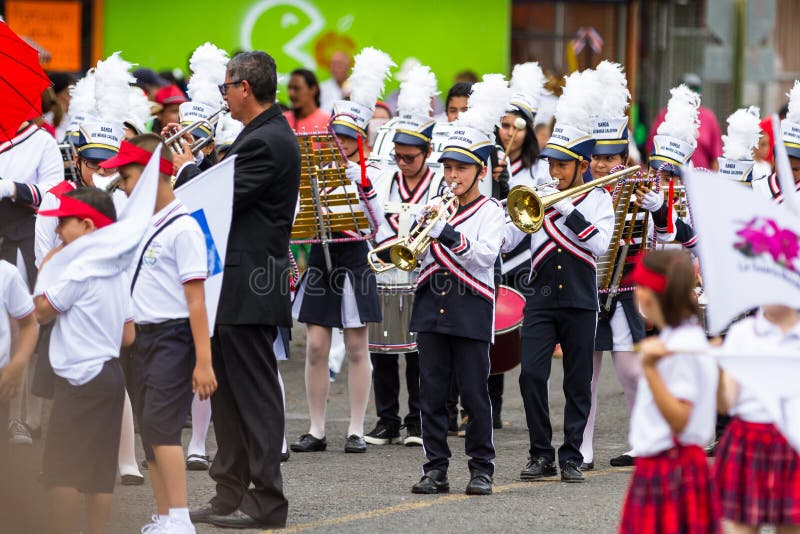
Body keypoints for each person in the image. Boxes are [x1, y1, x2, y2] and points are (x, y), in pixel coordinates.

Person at [171, 50, 298, 530]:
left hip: (249, 284)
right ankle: (230, 494)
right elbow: (228, 185)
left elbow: (223, 197)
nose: (222, 96)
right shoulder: (258, 135)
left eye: (226, 87)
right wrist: (202, 159)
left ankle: (266, 502)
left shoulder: (268, 140)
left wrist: (185, 171)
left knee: (255, 397)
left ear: (245, 87)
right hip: (233, 283)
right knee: (226, 396)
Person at [502, 68, 614, 484]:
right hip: (542, 298)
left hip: (582, 300)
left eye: (563, 165)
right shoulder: (538, 194)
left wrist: (565, 207)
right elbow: (511, 237)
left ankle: (570, 455)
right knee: (531, 374)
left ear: (581, 165)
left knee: (578, 382)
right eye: (551, 163)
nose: (554, 172)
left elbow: (599, 244)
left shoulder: (600, 199)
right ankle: (540, 453)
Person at [101, 134, 217, 534]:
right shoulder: (143, 222)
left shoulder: (184, 227)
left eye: (128, 177)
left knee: (163, 428)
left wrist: (204, 361)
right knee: (150, 429)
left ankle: (182, 519)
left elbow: (197, 301)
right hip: (143, 339)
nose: (123, 186)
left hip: (173, 337)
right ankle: (166, 514)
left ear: (154, 174)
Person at [290, 46, 393, 455]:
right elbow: (298, 217)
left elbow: (379, 227)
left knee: (356, 346)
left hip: (354, 257)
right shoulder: (313, 168)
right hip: (321, 255)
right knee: (315, 346)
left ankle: (354, 428)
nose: (344, 143)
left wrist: (363, 186)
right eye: (338, 136)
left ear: (361, 139)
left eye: (351, 137)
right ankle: (316, 429)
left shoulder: (373, 173)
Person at [408, 74, 508, 497]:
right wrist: (420, 228)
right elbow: (415, 259)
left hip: (471, 309)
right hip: (431, 307)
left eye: (461, 168)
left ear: (479, 172)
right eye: (448, 167)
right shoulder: (432, 206)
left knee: (474, 392)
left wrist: (445, 231)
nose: (452, 175)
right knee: (431, 394)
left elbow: (484, 256)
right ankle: (435, 468)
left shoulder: (493, 211)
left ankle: (481, 468)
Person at [33, 187, 134, 534]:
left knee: (61, 471)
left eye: (64, 223)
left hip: (79, 378)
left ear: (89, 226)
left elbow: (41, 311)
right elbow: (128, 335)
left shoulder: (78, 269)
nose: (58, 230)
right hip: (109, 374)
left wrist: (50, 262)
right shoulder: (119, 268)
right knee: (99, 476)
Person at [364, 63, 441, 448]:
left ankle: (417, 421)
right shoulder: (384, 179)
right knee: (380, 349)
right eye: (398, 156)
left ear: (427, 153)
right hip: (385, 272)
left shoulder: (438, 182)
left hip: (421, 273)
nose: (403, 163)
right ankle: (387, 420)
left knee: (417, 352)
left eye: (410, 157)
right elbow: (371, 218)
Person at [618, 250, 721, 534]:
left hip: (670, 465)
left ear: (648, 296)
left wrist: (650, 369)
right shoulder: (681, 339)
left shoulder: (680, 349)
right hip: (669, 464)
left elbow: (681, 419)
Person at [579, 61, 645, 471]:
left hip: (624, 289)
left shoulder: (640, 187)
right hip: (587, 288)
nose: (603, 165)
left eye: (611, 157)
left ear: (624, 155)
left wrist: (654, 209)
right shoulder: (580, 190)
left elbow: (657, 236)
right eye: (597, 157)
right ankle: (581, 446)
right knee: (585, 374)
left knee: (630, 370)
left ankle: (640, 441)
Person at [492, 62, 551, 429]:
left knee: (526, 338)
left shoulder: (539, 168)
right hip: (493, 256)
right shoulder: (488, 161)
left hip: (525, 260)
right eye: (505, 124)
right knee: (494, 333)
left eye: (516, 126)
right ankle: (490, 408)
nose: (508, 131)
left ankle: (533, 409)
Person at [715, 305, 800, 533]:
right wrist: (718, 369)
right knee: (740, 525)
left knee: (791, 526)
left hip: (793, 439)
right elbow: (726, 403)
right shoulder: (742, 333)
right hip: (748, 438)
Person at [646, 73, 722, 171]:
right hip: (670, 179)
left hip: (700, 180)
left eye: (695, 90)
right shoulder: (665, 115)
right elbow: (651, 151)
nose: (690, 94)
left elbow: (716, 158)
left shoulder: (709, 118)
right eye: (687, 90)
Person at [754, 80, 800, 203]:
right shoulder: (758, 187)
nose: (789, 174)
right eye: (785, 167)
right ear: (774, 160)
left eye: (796, 169)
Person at [284, 69, 331, 134]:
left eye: (296, 88)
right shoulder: (282, 120)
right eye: (289, 88)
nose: (291, 93)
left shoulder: (328, 122)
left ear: (313, 89)